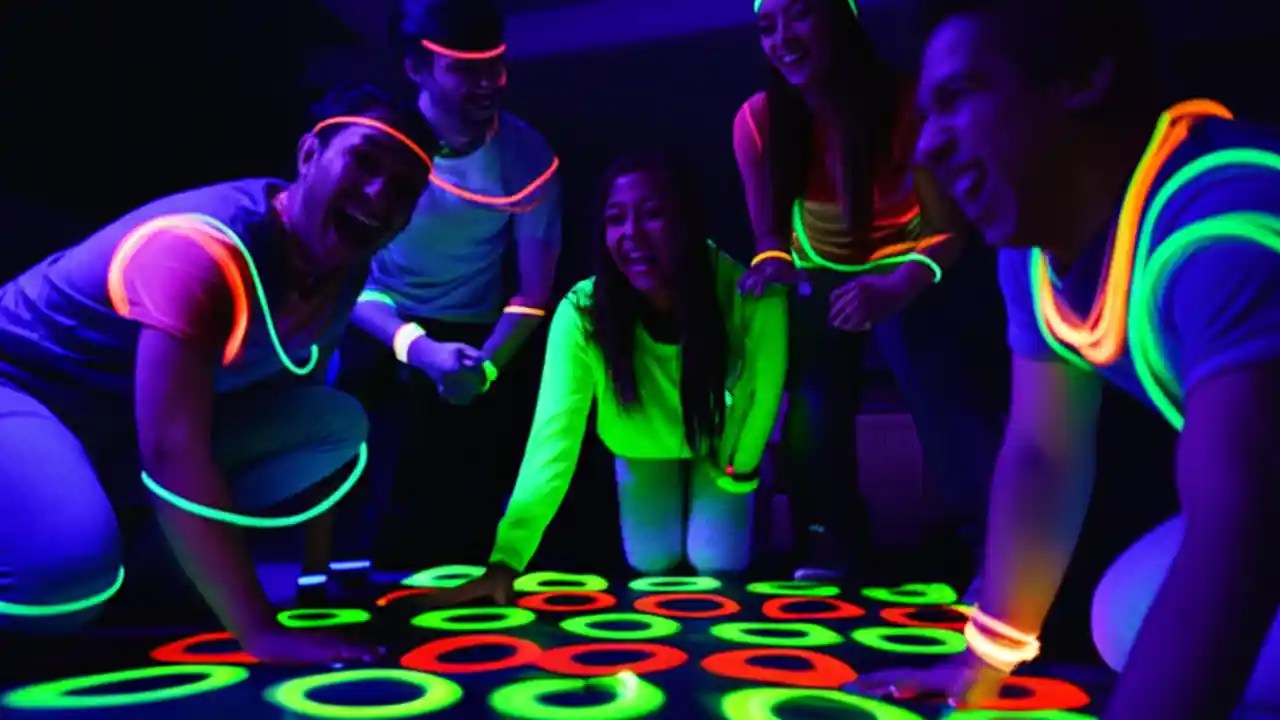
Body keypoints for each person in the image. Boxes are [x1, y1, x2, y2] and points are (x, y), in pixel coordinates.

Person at [853, 1, 1280, 717]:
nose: (925, 146)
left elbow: (1246, 512)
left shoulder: (1226, 223)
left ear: (1081, 77)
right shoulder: (1035, 252)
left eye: (956, 97)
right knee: (1125, 614)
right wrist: (983, 660)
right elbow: (1045, 451)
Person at [0, 83, 437, 665]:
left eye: (404, 189)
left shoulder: (342, 271)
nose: (380, 195)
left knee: (335, 425)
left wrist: (314, 578)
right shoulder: (201, 248)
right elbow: (172, 448)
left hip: (115, 425)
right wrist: (260, 631)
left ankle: (150, 573)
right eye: (362, 162)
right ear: (310, 155)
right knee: (61, 590)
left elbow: (283, 396)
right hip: (23, 387)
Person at [419, 153, 788, 605]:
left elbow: (764, 392)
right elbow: (552, 441)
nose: (631, 235)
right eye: (616, 219)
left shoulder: (747, 294)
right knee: (652, 563)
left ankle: (756, 510)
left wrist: (742, 470)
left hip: (722, 450)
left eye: (652, 214)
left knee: (716, 564)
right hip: (639, 445)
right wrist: (506, 559)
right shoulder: (583, 310)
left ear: (687, 221)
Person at [736, 0, 1008, 582]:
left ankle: (995, 547)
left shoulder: (906, 106)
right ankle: (830, 540)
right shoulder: (758, 122)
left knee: (932, 367)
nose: (784, 38)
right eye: (768, 26)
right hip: (821, 276)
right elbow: (769, 235)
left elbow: (947, 232)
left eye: (800, 16)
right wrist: (772, 265)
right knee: (812, 385)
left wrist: (897, 284)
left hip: (913, 265)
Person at [323, 0, 562, 574]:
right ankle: (341, 588)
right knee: (356, 457)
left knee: (463, 497)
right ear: (416, 69)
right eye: (465, 69)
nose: (488, 84)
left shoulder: (529, 159)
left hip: (478, 336)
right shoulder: (378, 152)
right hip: (376, 323)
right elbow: (345, 275)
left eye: (496, 66)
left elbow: (533, 292)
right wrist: (416, 348)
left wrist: (485, 367)